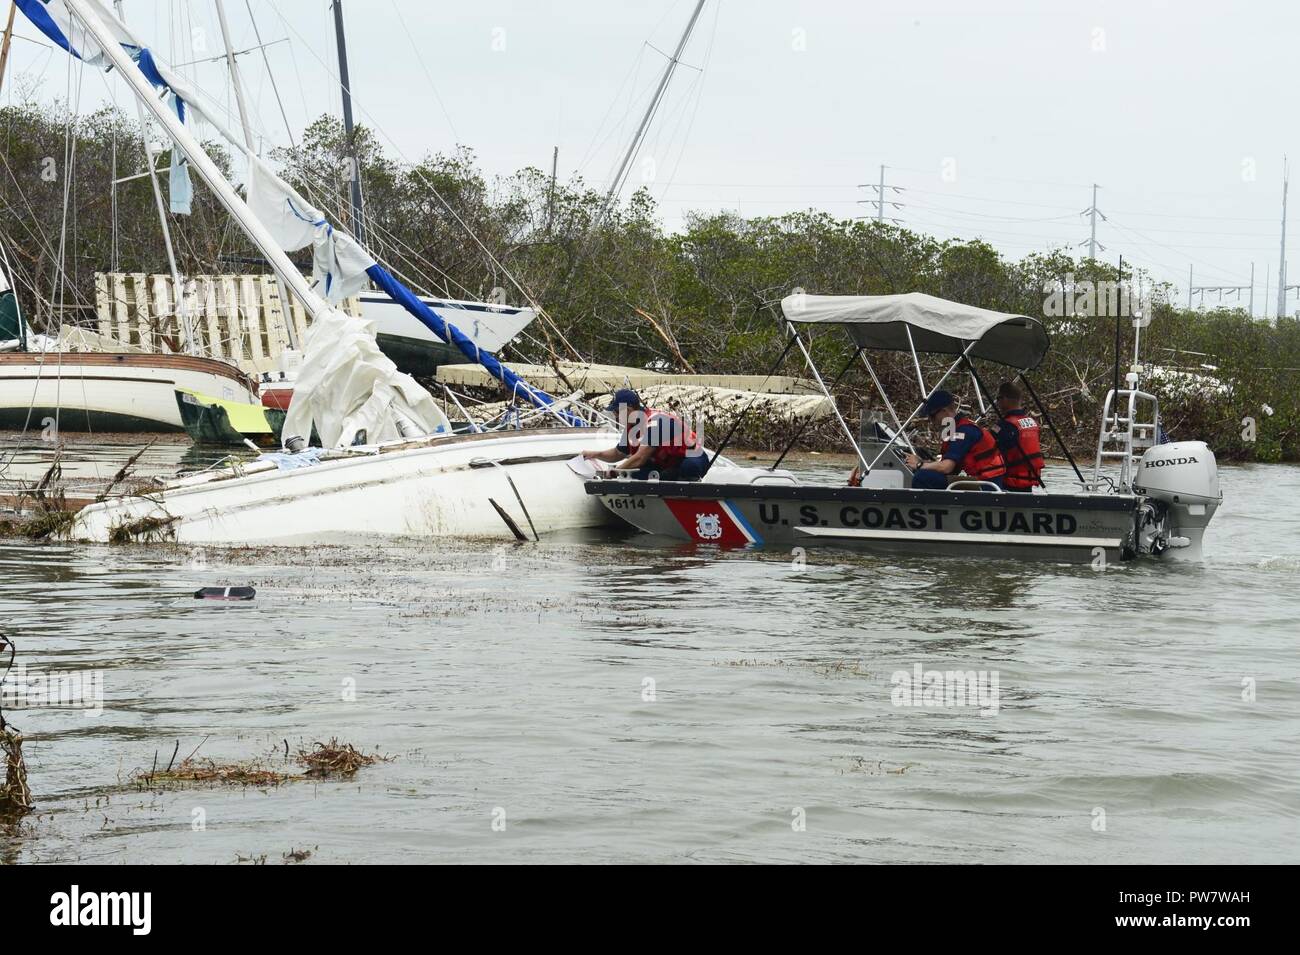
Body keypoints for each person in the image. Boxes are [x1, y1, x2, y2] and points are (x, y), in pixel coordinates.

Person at [582, 388, 708, 481]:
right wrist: (595, 454)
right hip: (668, 464)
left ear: (629, 409)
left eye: (616, 411)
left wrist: (614, 472)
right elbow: (618, 453)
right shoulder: (633, 427)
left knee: (689, 467)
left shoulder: (655, 422)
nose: (615, 415)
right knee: (637, 475)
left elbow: (640, 458)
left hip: (691, 458)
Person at [903, 390, 1006, 489]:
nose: (931, 420)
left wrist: (920, 465)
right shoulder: (958, 427)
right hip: (982, 481)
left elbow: (946, 468)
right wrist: (924, 462)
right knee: (927, 474)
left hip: (984, 485)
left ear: (944, 411)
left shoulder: (962, 431)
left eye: (932, 416)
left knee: (922, 478)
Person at [989, 382, 1044, 492]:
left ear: (1004, 399)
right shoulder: (1032, 422)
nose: (997, 403)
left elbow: (989, 448)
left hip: (1009, 484)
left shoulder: (1005, 425)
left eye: (998, 399)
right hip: (1028, 484)